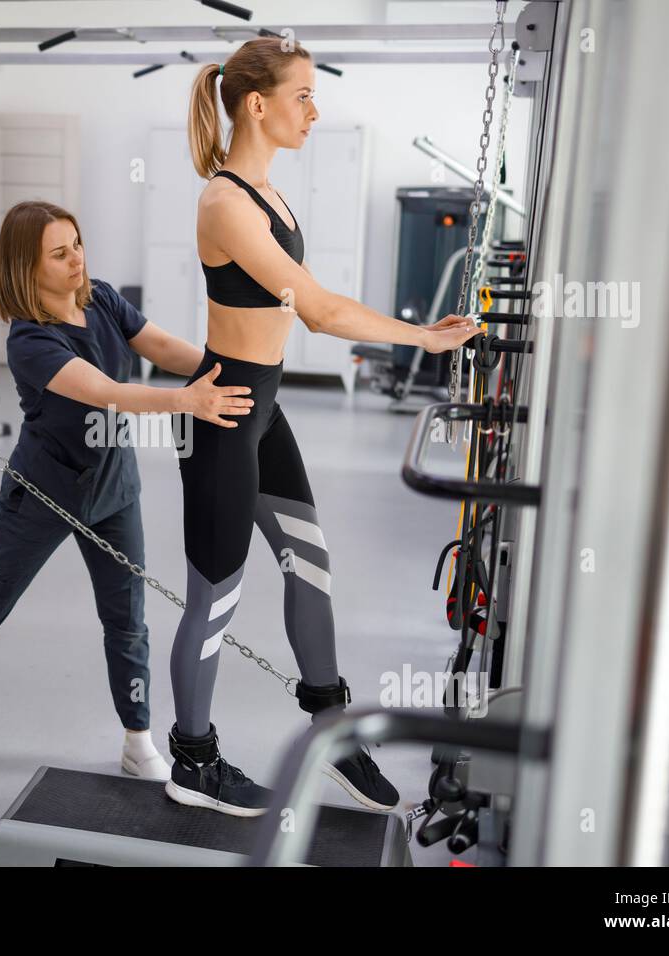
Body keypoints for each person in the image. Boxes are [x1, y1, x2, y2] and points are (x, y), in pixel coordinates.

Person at [164, 39, 480, 816]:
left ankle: (331, 729)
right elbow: (320, 309)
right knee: (216, 595)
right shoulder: (224, 203)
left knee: (311, 566)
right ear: (256, 104)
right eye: (302, 95)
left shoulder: (271, 197)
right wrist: (425, 339)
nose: (314, 109)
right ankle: (193, 762)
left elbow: (309, 301)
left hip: (263, 408)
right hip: (225, 412)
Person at [0, 199, 255, 783]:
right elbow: (101, 391)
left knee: (127, 619)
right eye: (59, 252)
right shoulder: (29, 341)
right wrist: (185, 401)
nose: (76, 260)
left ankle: (137, 738)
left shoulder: (104, 298)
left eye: (78, 244)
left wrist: (231, 374)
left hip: (114, 489)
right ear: (26, 265)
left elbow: (162, 346)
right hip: (43, 492)